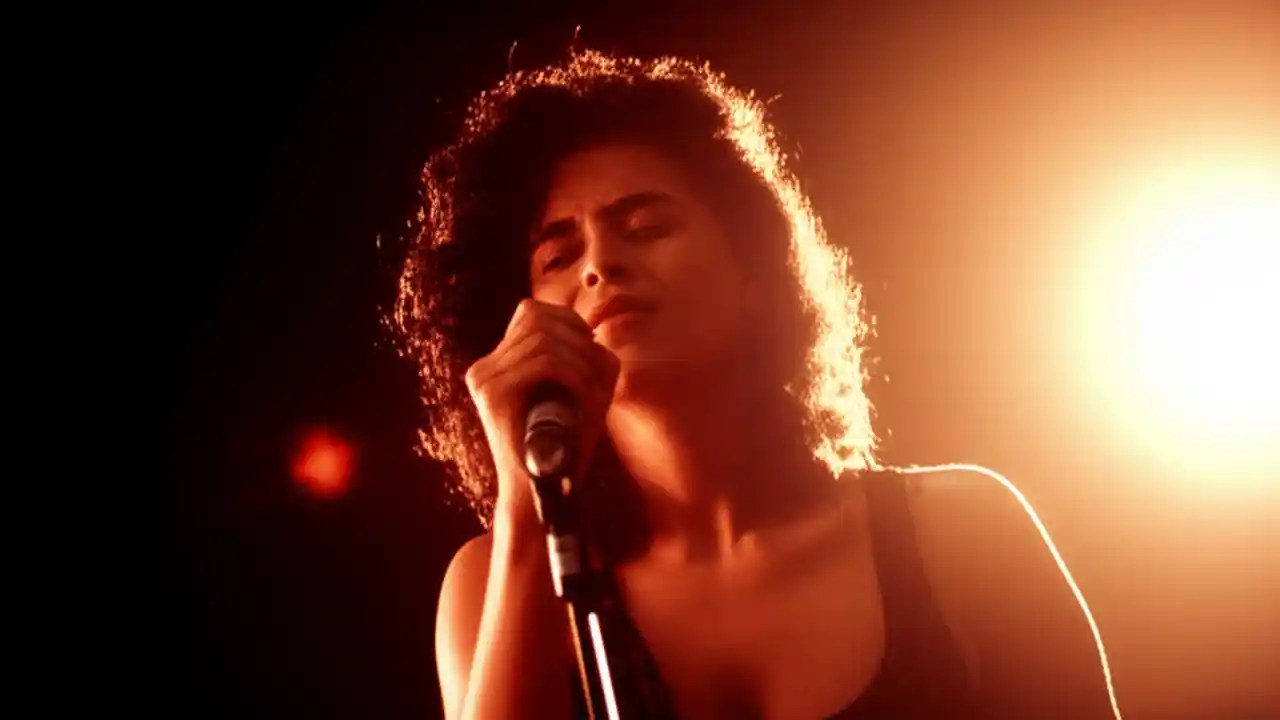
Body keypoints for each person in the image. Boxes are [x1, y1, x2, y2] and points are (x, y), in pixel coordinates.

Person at [394, 49, 1122, 720]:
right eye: (558, 256)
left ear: (756, 277)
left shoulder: (960, 531)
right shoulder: (490, 584)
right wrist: (527, 509)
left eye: (646, 227)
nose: (599, 265)